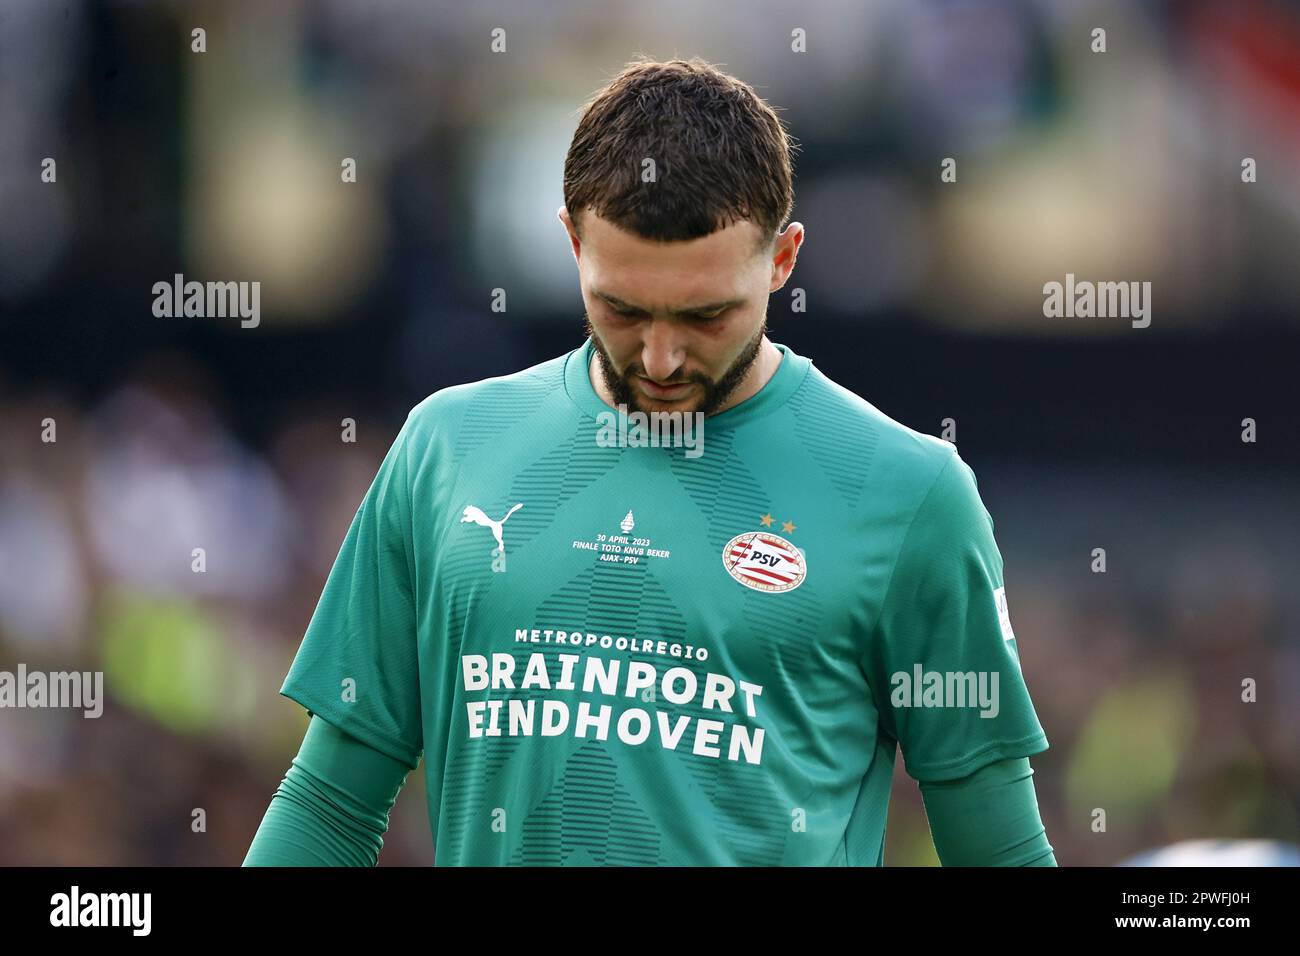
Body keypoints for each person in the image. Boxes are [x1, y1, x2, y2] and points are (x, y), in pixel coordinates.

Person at [244, 57, 1055, 867]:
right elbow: (330, 804)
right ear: (571, 240)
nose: (661, 359)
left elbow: (999, 848)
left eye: (707, 316)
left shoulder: (909, 493)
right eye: (622, 308)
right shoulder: (446, 448)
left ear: (783, 260)